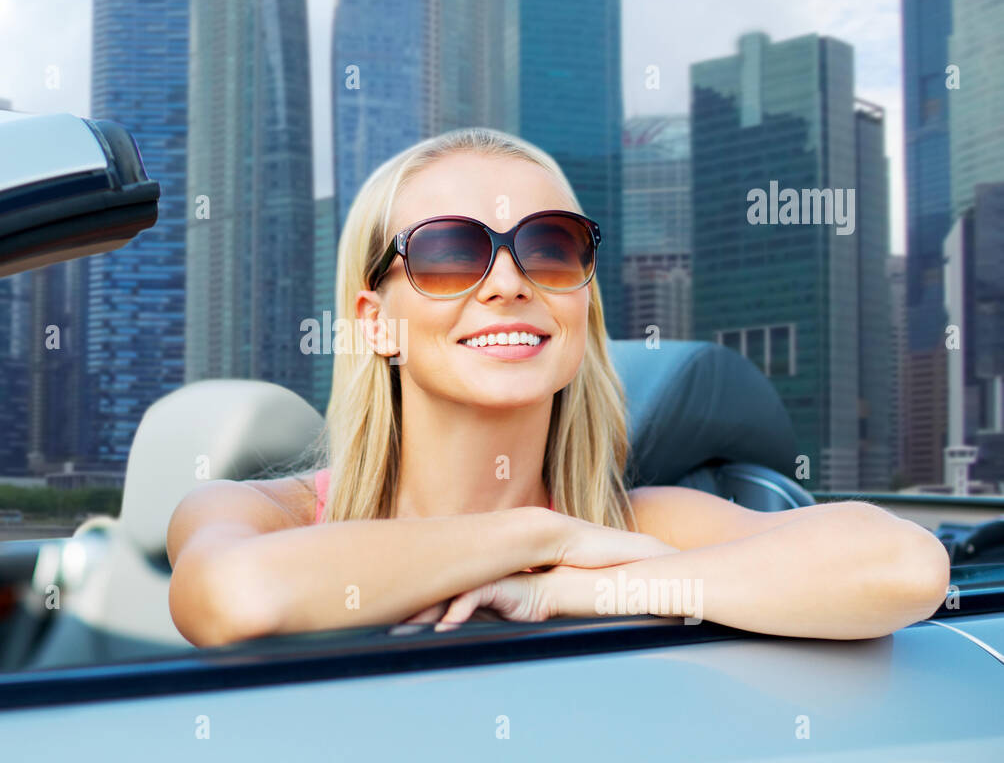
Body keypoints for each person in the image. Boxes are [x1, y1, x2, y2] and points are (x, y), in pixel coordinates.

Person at [167, 127, 949, 647]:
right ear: (377, 322)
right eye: (448, 253)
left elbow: (904, 566)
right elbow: (231, 597)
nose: (508, 282)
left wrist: (569, 591)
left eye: (549, 247)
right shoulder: (266, 515)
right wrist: (538, 539)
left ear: (582, 301)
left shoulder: (635, 523)